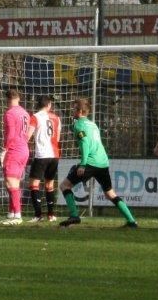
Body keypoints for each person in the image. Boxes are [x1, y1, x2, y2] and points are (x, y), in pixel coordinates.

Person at [58, 98, 137, 229]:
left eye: (74, 108)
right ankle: (131, 221)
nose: (72, 110)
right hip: (103, 162)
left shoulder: (79, 125)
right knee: (110, 193)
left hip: (90, 163)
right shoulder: (92, 124)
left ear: (80, 111)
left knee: (64, 186)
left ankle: (74, 216)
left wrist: (82, 164)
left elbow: (85, 144)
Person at [0, 87, 33, 225]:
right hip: (24, 149)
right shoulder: (25, 113)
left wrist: (5, 150)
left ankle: (18, 216)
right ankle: (12, 212)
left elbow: (11, 134)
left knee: (10, 181)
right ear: (18, 98)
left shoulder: (9, 113)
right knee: (14, 182)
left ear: (7, 100)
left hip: (14, 149)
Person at [27, 95, 61, 223]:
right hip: (55, 155)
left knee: (34, 184)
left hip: (42, 155)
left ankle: (38, 215)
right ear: (49, 105)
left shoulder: (35, 117)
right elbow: (57, 138)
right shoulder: (57, 118)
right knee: (49, 184)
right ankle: (51, 215)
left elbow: (28, 136)